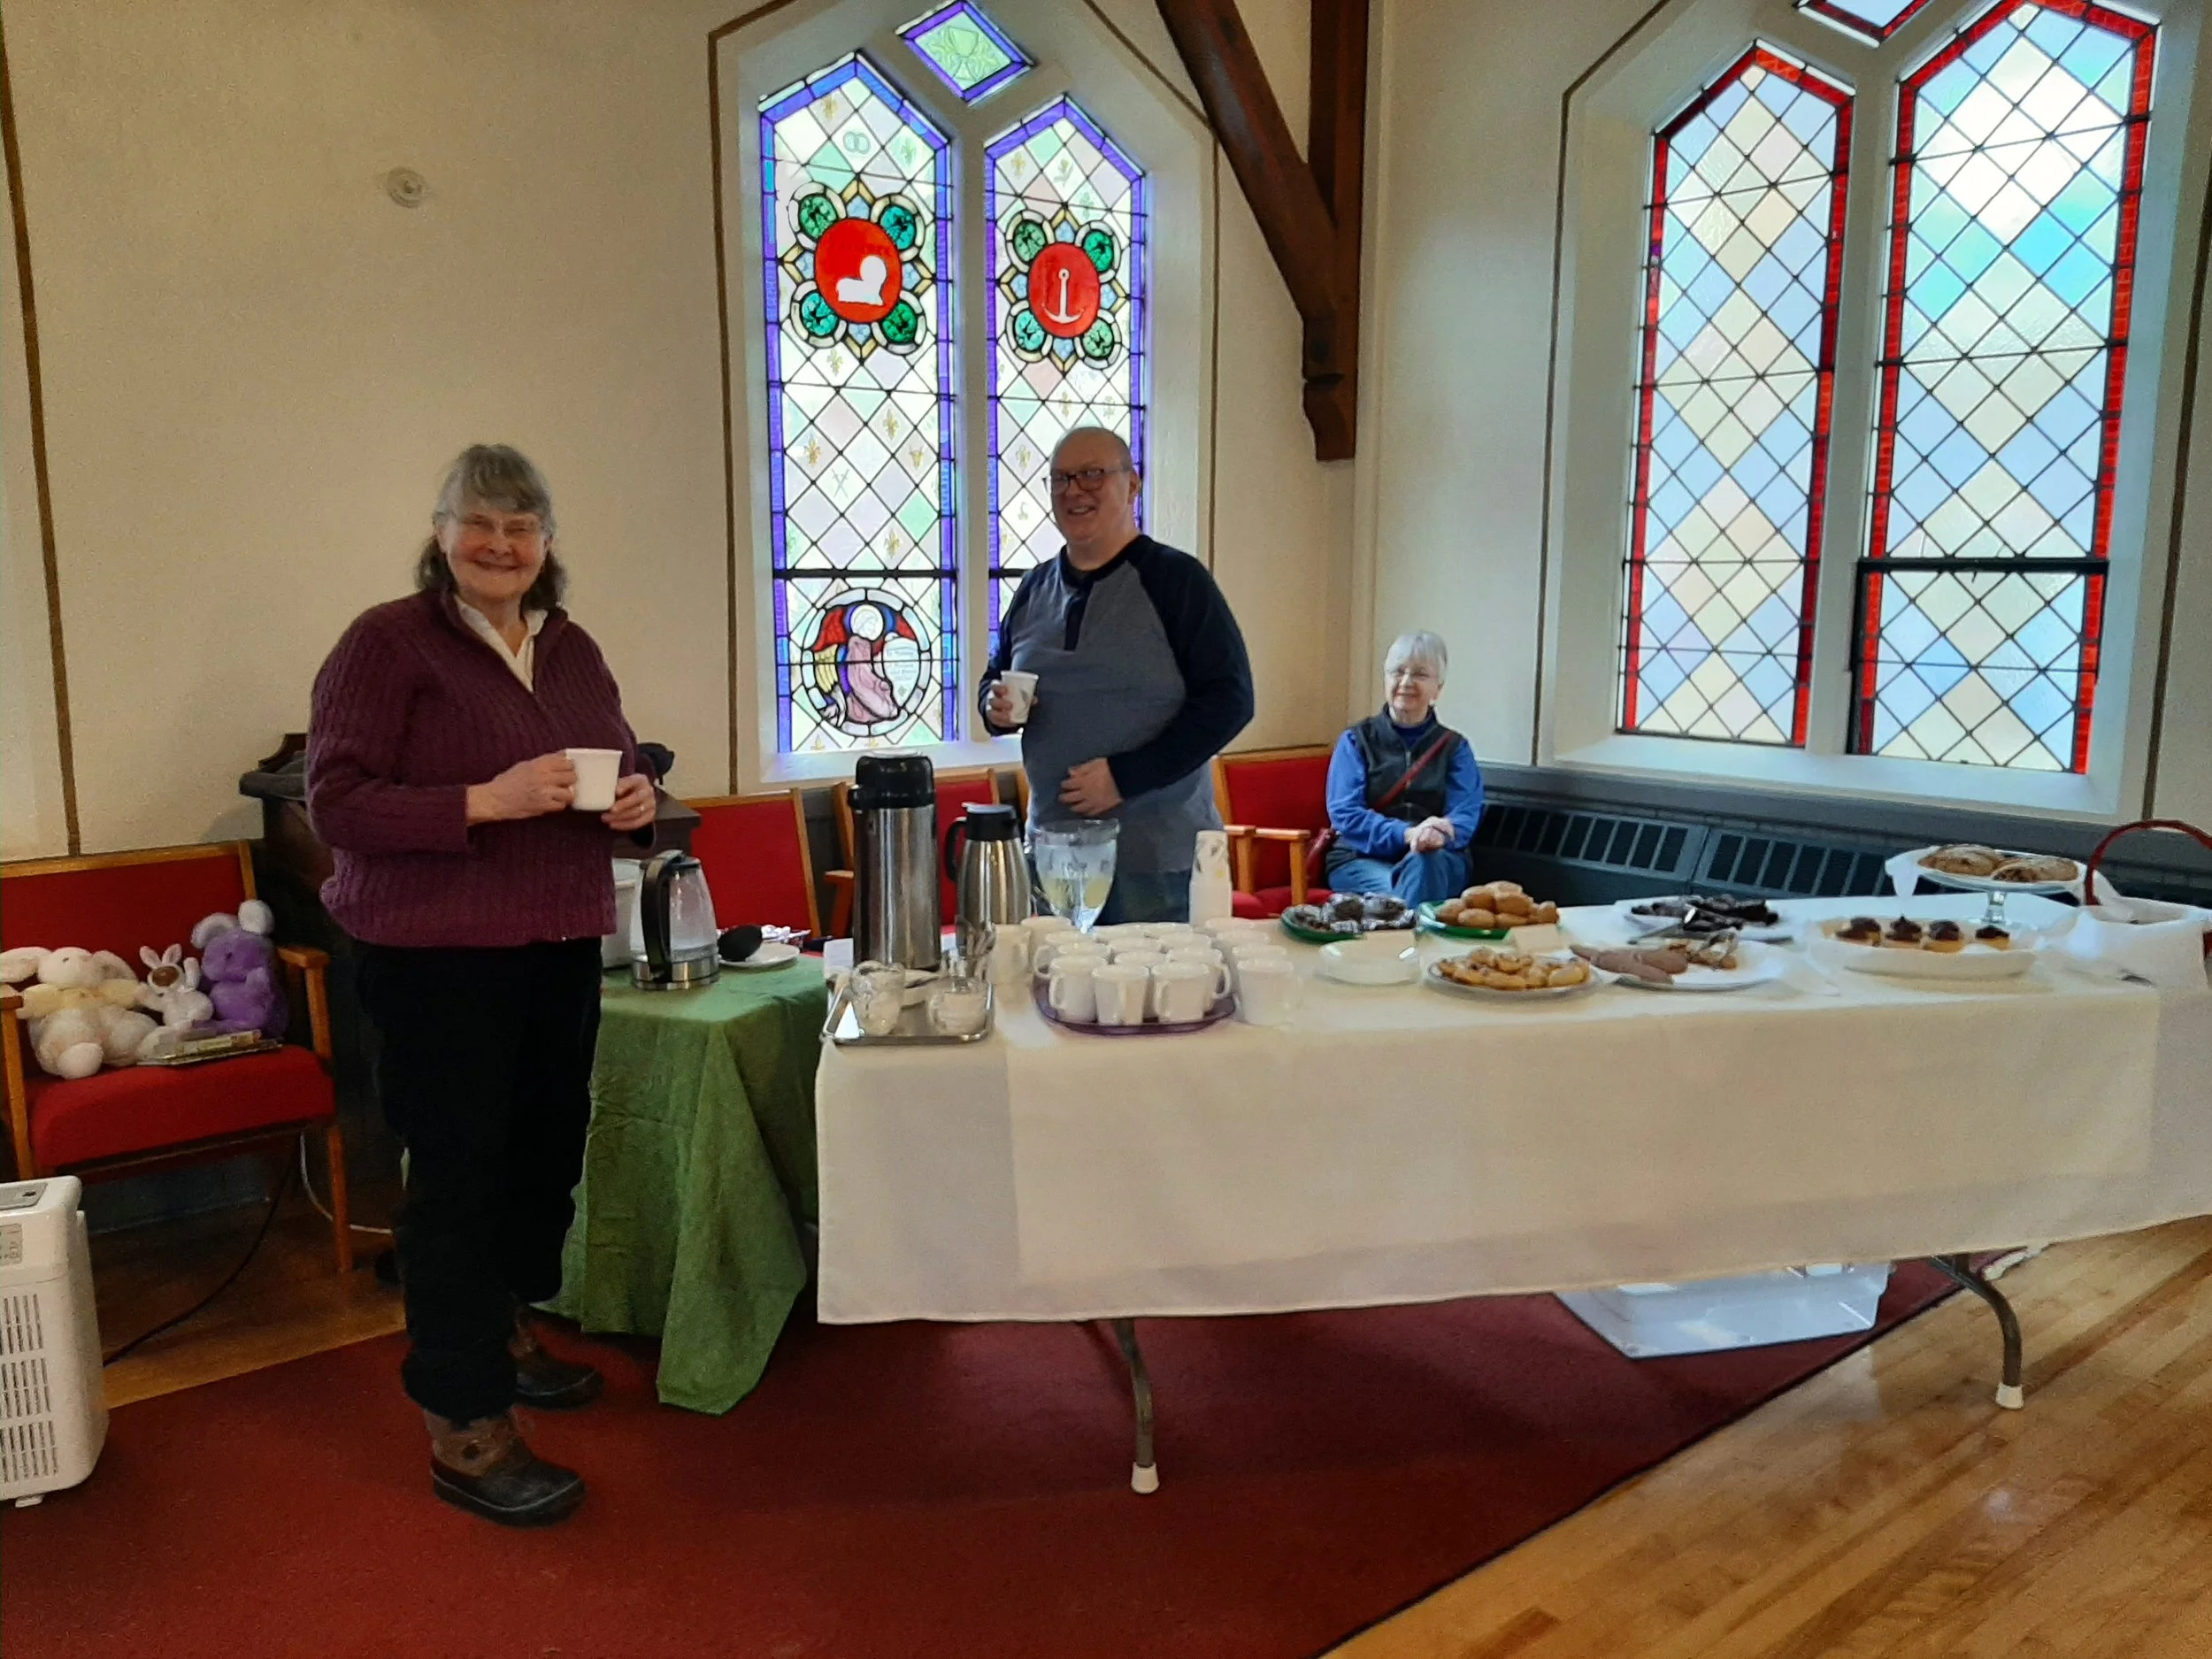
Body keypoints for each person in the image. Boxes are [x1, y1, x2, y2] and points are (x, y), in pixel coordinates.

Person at [307, 445, 657, 1527]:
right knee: (458, 1184)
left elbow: (611, 753)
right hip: (435, 956)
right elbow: (336, 803)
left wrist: (637, 794)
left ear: (547, 542)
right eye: (478, 524)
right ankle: (463, 1422)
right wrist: (482, 800)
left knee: (544, 1160)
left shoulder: (572, 647)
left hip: (557, 941)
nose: (499, 545)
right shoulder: (386, 643)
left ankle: (503, 1329)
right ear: (441, 532)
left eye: (521, 526)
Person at [979, 426, 1254, 924]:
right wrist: (993, 707)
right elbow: (995, 679)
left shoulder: (1177, 581)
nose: (1074, 491)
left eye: (1092, 475)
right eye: (1061, 479)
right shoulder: (1033, 588)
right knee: (1055, 1000)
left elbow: (1230, 701)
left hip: (1155, 863)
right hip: (1053, 857)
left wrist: (1125, 778)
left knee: (1156, 1002)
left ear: (1132, 485)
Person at [1323, 631, 1485, 905]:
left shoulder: (1455, 747)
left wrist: (1438, 834)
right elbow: (1345, 813)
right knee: (1407, 890)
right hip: (1361, 859)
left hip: (1436, 860)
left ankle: (1401, 942)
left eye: (1420, 675)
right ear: (1386, 680)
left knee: (1424, 869)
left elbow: (1466, 813)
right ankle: (1419, 943)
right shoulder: (1357, 740)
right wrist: (1407, 834)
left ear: (1438, 689)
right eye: (1398, 672)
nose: (1406, 682)